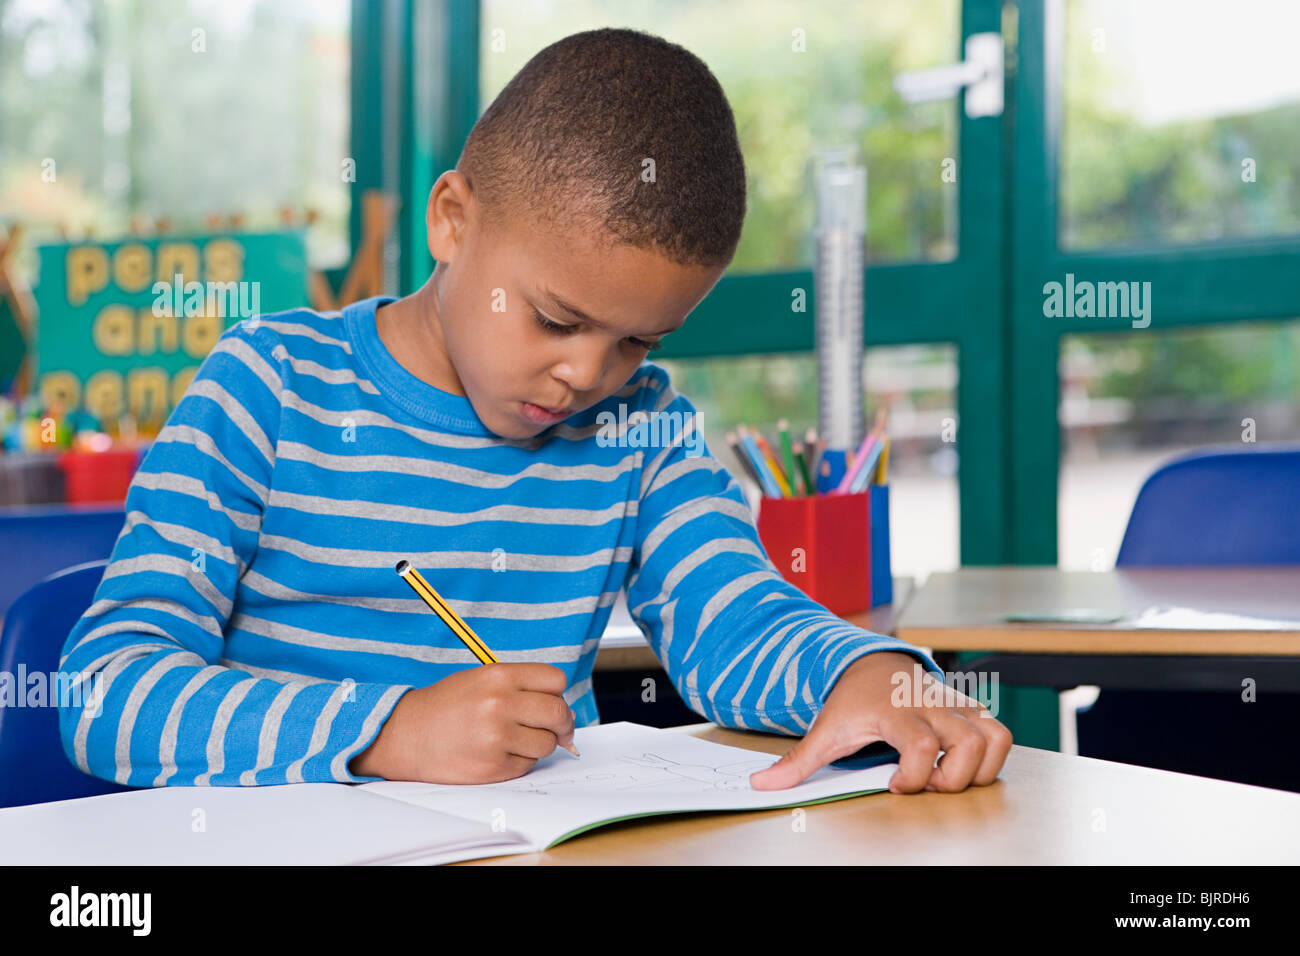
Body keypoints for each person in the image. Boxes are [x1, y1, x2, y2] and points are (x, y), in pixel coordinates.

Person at [60, 28, 1010, 795]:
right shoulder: (265, 390)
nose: (585, 375)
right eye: (556, 319)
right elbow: (107, 692)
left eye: (639, 341)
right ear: (452, 221)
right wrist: (388, 729)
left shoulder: (639, 427)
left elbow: (737, 618)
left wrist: (868, 672)